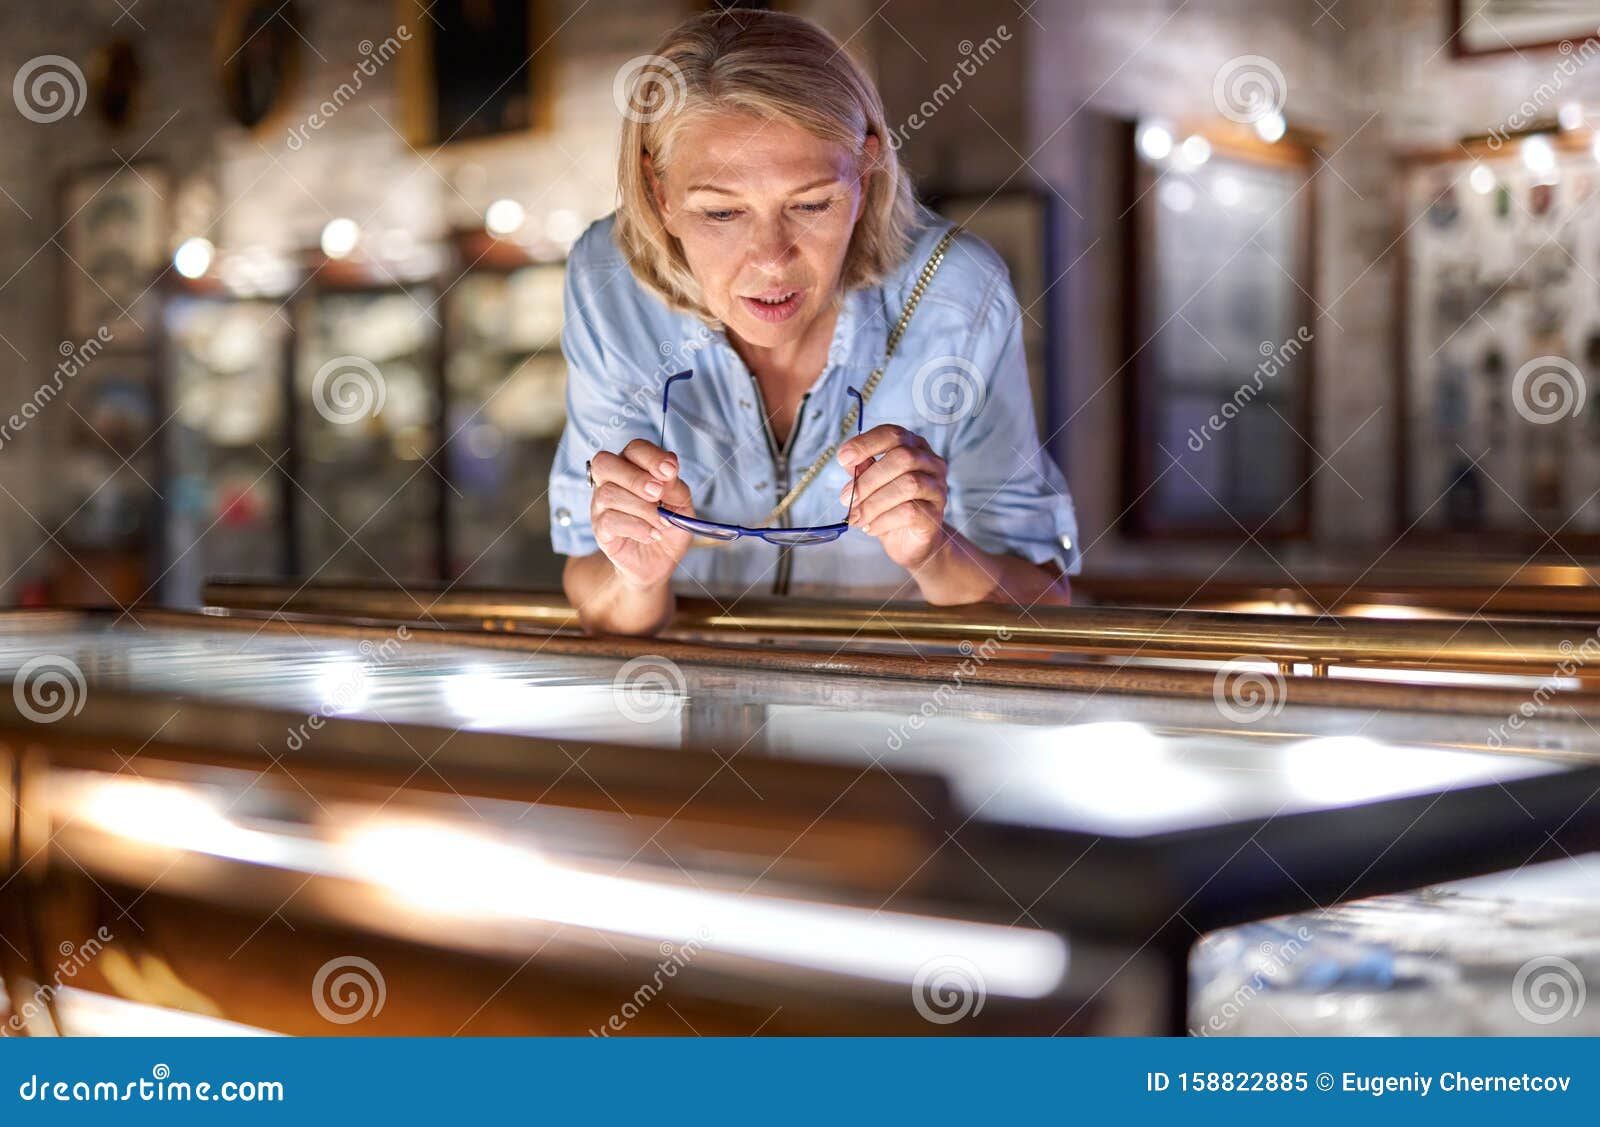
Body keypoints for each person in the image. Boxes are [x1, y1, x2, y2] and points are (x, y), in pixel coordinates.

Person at [550, 8, 1080, 636]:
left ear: (867, 170)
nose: (772, 261)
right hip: (702, 723)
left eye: (810, 204)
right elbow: (603, 608)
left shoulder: (957, 291)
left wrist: (934, 552)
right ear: (658, 191)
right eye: (721, 213)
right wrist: (638, 577)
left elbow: (1041, 622)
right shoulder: (606, 278)